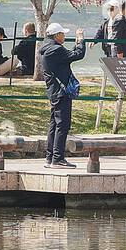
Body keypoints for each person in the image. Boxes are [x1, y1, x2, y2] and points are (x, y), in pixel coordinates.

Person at [40, 22, 87, 168]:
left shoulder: (48, 49)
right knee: (63, 125)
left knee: (54, 124)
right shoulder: (56, 50)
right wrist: (80, 40)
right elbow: (78, 55)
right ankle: (58, 159)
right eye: (63, 34)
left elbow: (68, 56)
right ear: (56, 35)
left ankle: (50, 158)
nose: (65, 36)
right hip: (61, 93)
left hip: (54, 92)